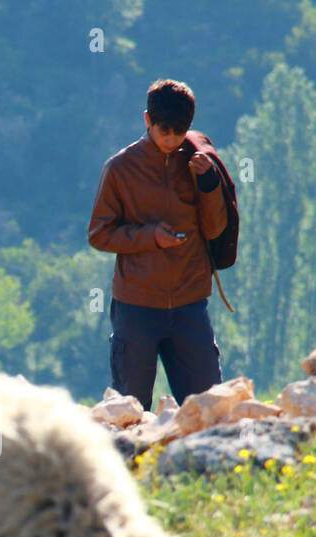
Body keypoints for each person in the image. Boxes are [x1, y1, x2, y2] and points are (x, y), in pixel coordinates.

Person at [88, 78, 228, 411]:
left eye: (179, 132)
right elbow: (99, 234)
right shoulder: (120, 169)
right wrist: (150, 237)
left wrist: (209, 186)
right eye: (164, 130)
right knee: (129, 413)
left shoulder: (199, 164)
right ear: (147, 120)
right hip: (136, 307)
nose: (170, 140)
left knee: (210, 410)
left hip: (190, 304)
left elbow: (215, 228)